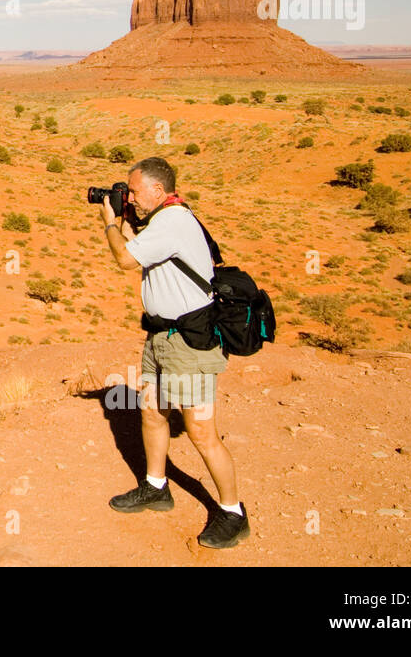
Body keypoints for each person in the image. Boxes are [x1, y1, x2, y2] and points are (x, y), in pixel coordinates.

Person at [97, 156, 250, 549]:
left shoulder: (173, 221)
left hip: (188, 343)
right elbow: (140, 249)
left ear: (158, 191)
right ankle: (155, 486)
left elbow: (124, 258)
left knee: (201, 431)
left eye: (133, 190)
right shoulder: (163, 221)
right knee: (152, 412)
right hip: (161, 337)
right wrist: (128, 221)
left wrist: (111, 223)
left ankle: (233, 512)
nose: (129, 196)